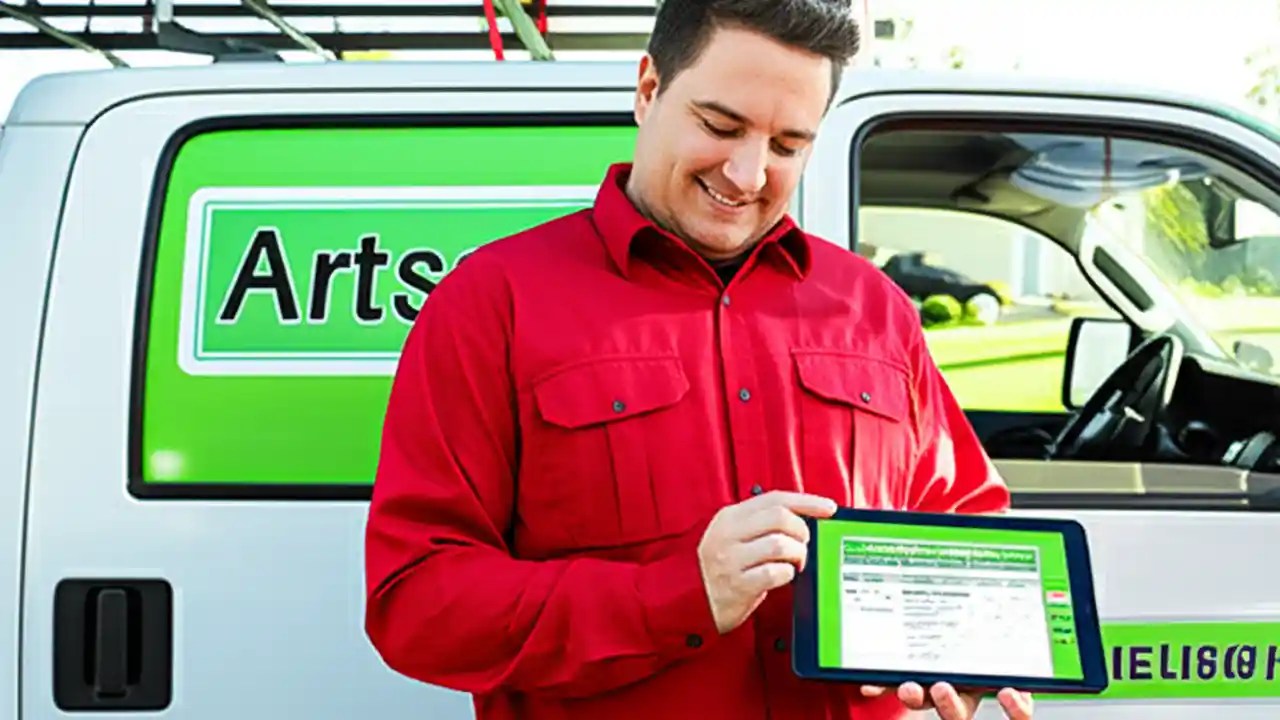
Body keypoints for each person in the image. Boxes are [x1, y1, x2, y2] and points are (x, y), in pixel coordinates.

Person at [363, 1, 1035, 718]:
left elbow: (961, 516)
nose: (748, 175)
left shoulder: (874, 307)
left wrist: (967, 648)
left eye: (788, 145)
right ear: (648, 89)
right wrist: (677, 594)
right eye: (720, 126)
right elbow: (416, 602)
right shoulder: (492, 302)